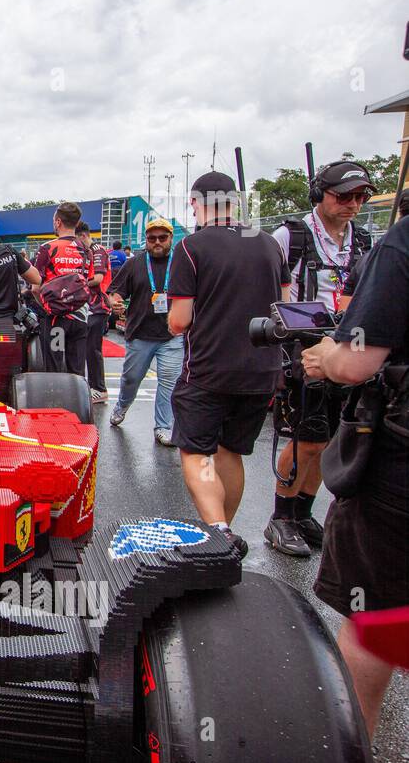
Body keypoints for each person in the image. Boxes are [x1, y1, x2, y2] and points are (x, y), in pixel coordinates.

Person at [300, 211, 409, 737]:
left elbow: (356, 363)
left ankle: (353, 762)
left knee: (374, 620)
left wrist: (326, 353)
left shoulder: (397, 244)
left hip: (399, 466)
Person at [167, 172, 290, 556]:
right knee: (231, 452)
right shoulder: (269, 244)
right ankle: (225, 532)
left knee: (196, 452)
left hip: (208, 369)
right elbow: (286, 307)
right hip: (262, 369)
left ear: (195, 203)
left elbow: (179, 320)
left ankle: (218, 529)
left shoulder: (191, 247)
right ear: (234, 202)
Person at [265, 161, 377, 558]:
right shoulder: (290, 235)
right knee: (307, 438)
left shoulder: (362, 241)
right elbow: (267, 285)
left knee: (330, 440)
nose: (353, 204)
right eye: (343, 196)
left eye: (360, 196)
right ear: (319, 195)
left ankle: (302, 512)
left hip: (348, 345)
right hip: (303, 348)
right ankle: (280, 517)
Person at [107, 218, 183, 446]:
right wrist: (115, 302)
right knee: (131, 379)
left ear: (171, 239)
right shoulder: (135, 264)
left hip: (172, 336)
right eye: (152, 239)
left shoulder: (182, 264)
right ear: (146, 241)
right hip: (140, 334)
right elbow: (114, 292)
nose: (157, 242)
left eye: (162, 238)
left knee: (169, 382)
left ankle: (163, 426)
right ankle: (122, 404)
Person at [33, 203, 91, 377]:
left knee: (54, 370)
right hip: (81, 316)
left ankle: (56, 403)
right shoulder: (86, 250)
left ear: (58, 222)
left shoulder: (47, 248)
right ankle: (78, 403)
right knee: (77, 371)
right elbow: (87, 282)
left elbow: (36, 288)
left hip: (55, 319)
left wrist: (45, 307)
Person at [77, 222, 112, 405]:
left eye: (76, 240)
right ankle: (90, 386)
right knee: (85, 348)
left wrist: (76, 283)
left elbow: (98, 278)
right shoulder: (86, 252)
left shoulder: (97, 250)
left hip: (98, 307)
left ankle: (99, 388)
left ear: (83, 236)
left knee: (93, 349)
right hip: (88, 307)